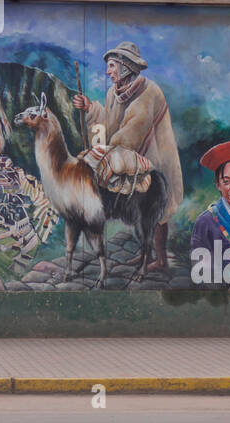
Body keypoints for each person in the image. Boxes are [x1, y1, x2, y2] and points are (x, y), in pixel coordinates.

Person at [72, 41, 184, 272]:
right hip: (129, 158)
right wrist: (91, 109)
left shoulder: (148, 91)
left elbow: (135, 127)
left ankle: (160, 258)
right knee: (137, 208)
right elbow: (110, 122)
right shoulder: (114, 93)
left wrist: (106, 151)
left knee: (157, 209)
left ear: (125, 67)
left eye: (112, 66)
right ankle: (145, 254)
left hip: (155, 158)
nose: (108, 72)